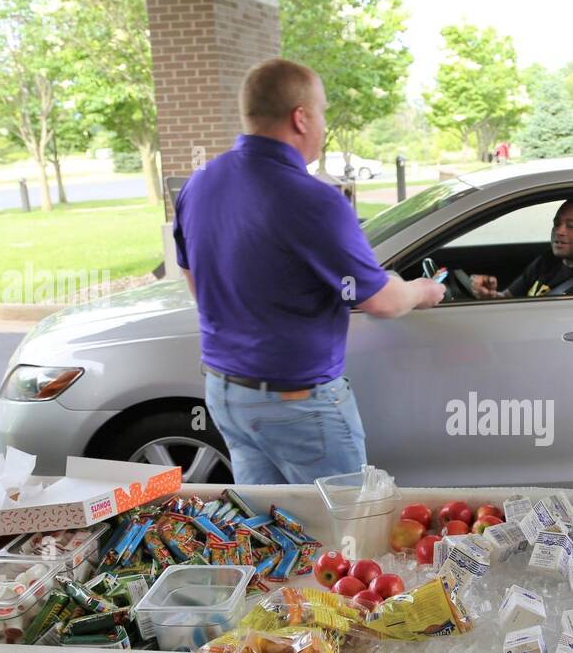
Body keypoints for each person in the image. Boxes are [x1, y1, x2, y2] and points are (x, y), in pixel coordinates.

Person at [173, 59, 444, 484]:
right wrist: (420, 290)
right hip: (296, 405)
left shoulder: (201, 182)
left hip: (226, 395)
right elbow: (383, 301)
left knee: (269, 531)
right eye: (321, 110)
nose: (322, 121)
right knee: (343, 528)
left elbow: (196, 278)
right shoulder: (313, 199)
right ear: (301, 117)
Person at [469, 198, 573, 300]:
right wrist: (490, 295)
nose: (559, 231)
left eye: (571, 226)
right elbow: (508, 298)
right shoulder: (548, 260)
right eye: (556, 223)